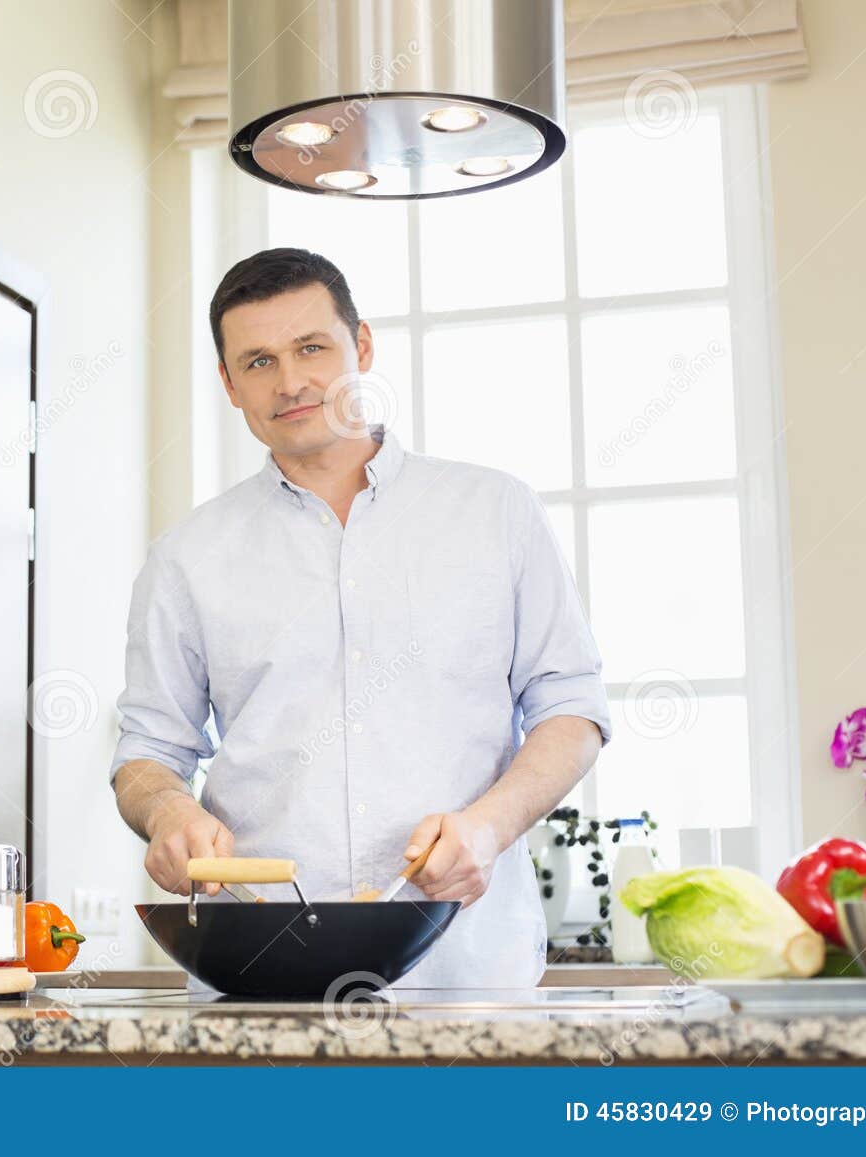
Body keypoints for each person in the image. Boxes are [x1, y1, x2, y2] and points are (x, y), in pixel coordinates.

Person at [109, 247, 611, 988]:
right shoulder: (186, 557)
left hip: (466, 971)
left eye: (312, 347)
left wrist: (490, 824)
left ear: (362, 347)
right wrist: (166, 814)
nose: (291, 382)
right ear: (228, 383)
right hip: (256, 979)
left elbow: (572, 709)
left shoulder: (496, 512)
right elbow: (147, 752)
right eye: (258, 361)